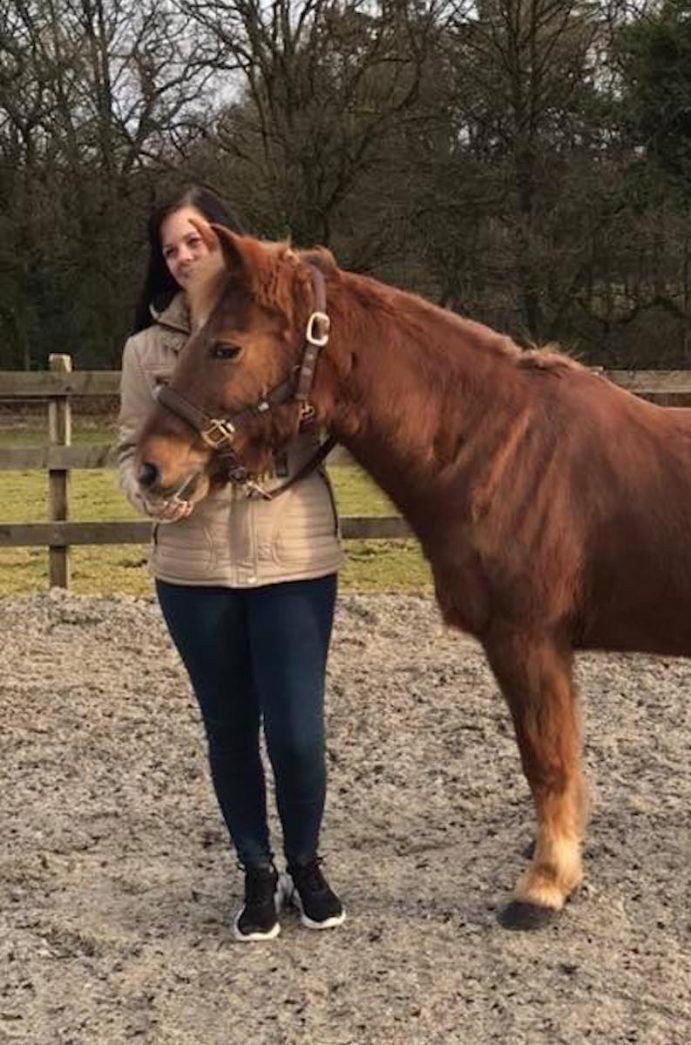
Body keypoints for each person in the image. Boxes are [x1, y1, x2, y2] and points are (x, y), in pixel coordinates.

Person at [115, 185, 347, 942]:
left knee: (298, 732)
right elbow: (129, 454)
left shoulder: (288, 324)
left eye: (194, 240)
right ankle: (256, 869)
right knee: (228, 727)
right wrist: (151, 500)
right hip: (194, 566)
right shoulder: (146, 350)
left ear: (225, 241)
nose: (183, 256)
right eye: (170, 247)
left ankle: (306, 861)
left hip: (294, 553)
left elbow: (337, 408)